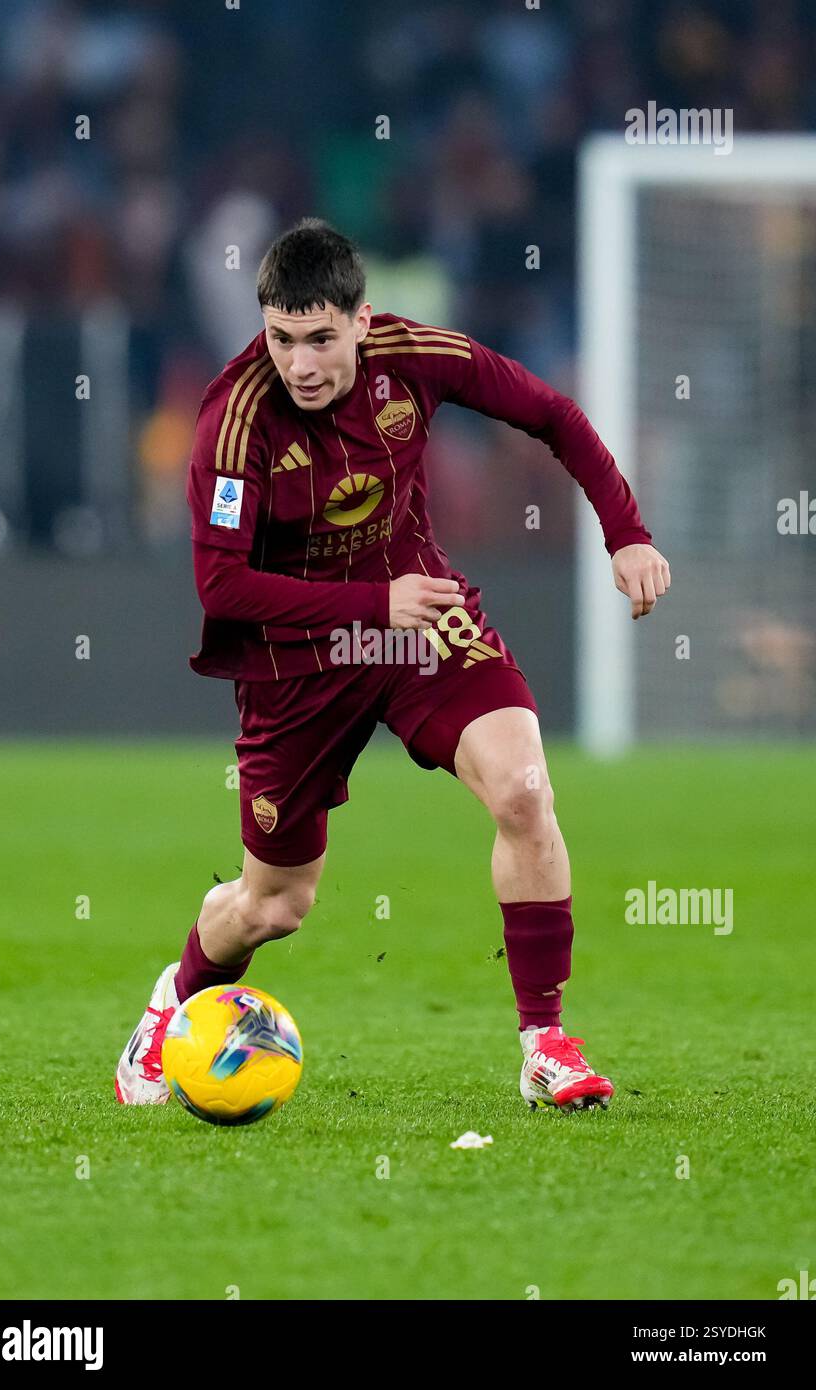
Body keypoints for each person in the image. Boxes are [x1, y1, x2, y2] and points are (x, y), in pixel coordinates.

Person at [116, 218, 670, 1113]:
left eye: (321, 339)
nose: (299, 363)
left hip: (422, 631)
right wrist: (375, 606)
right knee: (273, 905)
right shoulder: (234, 424)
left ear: (361, 322)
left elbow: (552, 415)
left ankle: (547, 1046)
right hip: (297, 664)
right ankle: (169, 1006)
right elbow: (221, 588)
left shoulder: (415, 355)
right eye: (281, 339)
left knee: (525, 792)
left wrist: (628, 533)